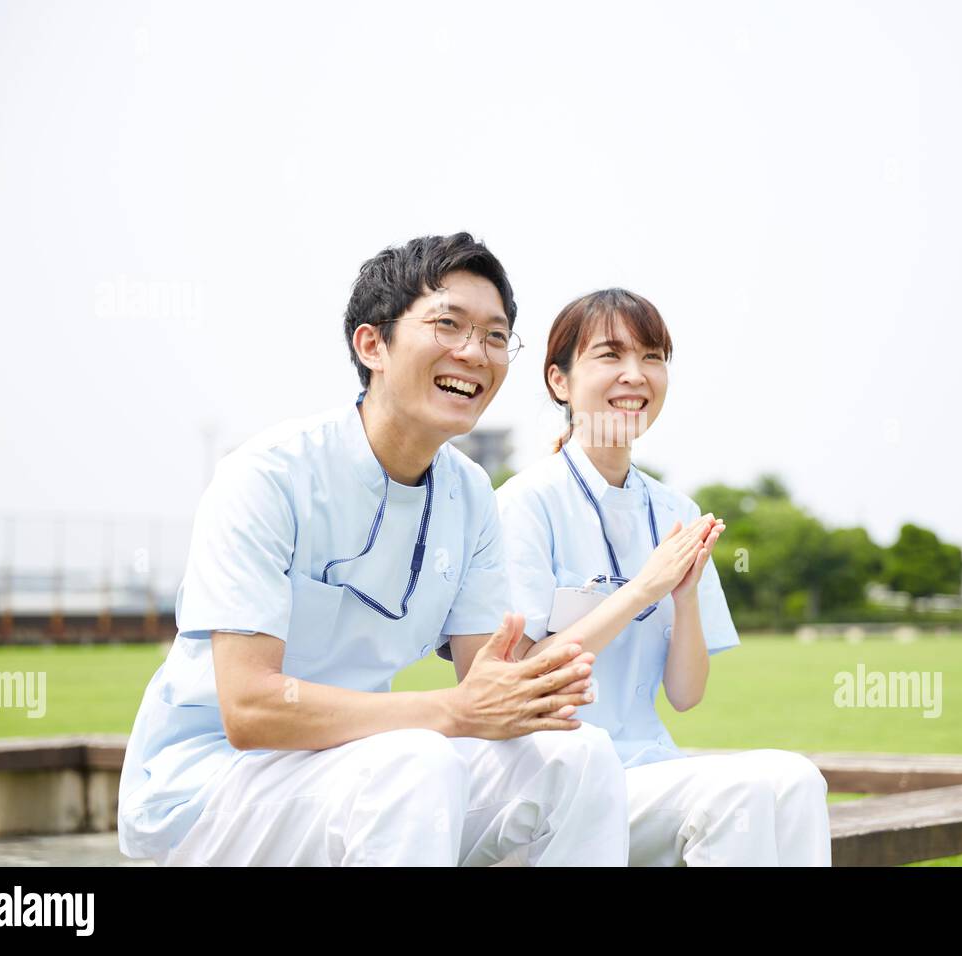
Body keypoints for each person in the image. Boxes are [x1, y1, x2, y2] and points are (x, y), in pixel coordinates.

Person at [117, 235, 694, 866]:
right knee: (416, 759)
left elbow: (488, 682)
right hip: (214, 788)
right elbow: (250, 709)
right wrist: (451, 711)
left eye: (495, 336)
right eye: (448, 324)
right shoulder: (269, 476)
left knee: (579, 754)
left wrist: (533, 684)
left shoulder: (470, 494)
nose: (474, 352)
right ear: (373, 345)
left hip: (364, 768)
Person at [449, 289, 832, 866]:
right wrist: (643, 589)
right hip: (556, 780)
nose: (636, 374)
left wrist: (684, 599)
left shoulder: (676, 510)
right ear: (559, 381)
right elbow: (519, 679)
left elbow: (686, 695)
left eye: (652, 357)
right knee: (741, 795)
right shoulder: (524, 505)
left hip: (650, 767)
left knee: (796, 779)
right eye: (611, 355)